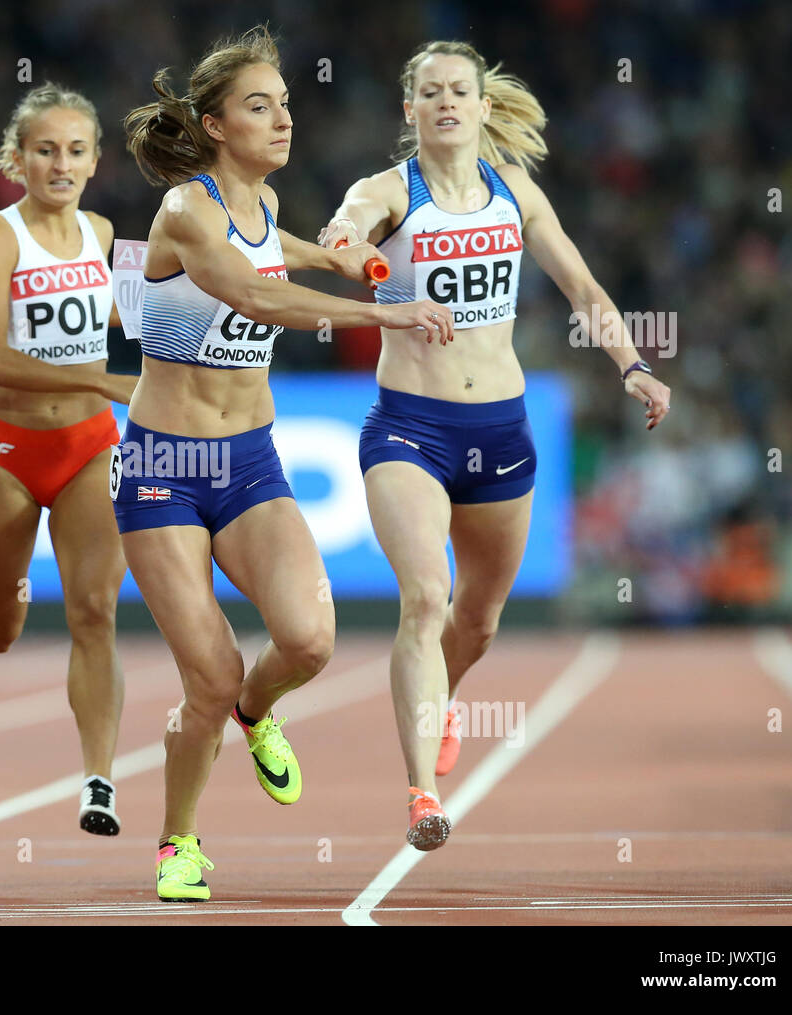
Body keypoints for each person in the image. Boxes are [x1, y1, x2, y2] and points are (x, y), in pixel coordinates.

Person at [121, 26, 453, 901]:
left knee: (307, 640)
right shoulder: (186, 209)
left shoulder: (264, 208)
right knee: (210, 673)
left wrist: (335, 254)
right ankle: (178, 842)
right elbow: (252, 290)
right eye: (260, 106)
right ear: (215, 125)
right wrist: (380, 311)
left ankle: (254, 713)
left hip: (250, 462)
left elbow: (276, 252)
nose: (283, 120)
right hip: (160, 466)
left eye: (287, 104)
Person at [318, 40, 672, 851]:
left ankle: (441, 703)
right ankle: (423, 793)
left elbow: (583, 287)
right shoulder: (385, 191)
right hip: (409, 426)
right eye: (430, 92)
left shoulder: (515, 194)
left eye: (459, 92)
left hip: (502, 430)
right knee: (425, 598)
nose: (445, 102)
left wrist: (635, 365)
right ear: (409, 110)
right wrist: (362, 253)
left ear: (482, 107)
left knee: (476, 621)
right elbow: (339, 240)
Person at [0, 83, 137, 835]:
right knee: (0, 632)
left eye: (74, 150)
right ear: (17, 158)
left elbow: (132, 311)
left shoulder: (101, 230)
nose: (60, 163)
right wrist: (99, 373)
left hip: (90, 444)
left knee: (95, 610)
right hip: (6, 448)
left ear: (95, 160)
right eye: (44, 150)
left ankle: (100, 780)